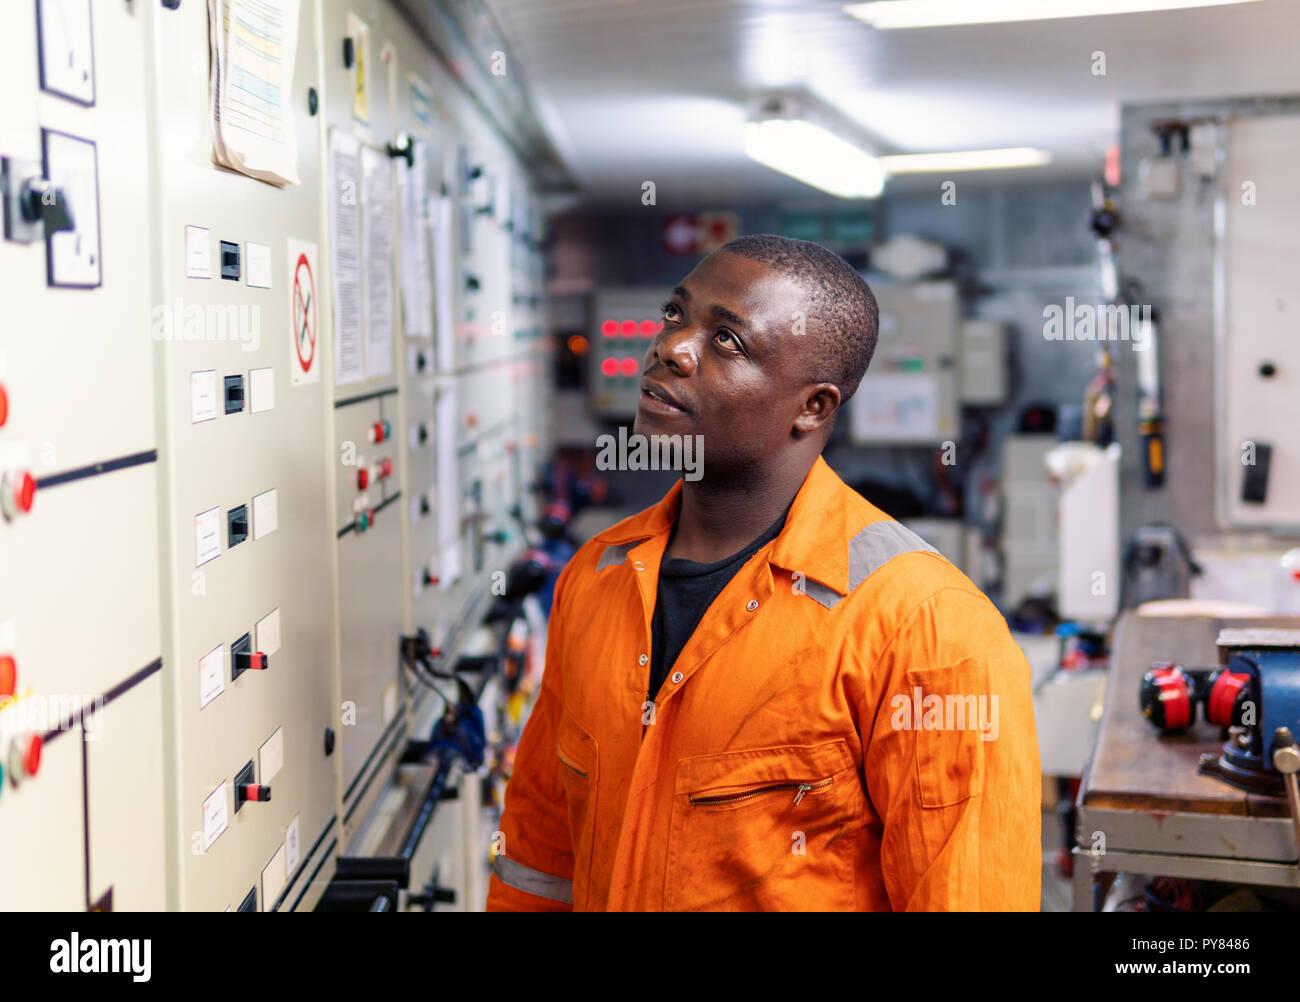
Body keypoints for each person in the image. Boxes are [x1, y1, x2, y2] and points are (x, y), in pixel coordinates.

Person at [486, 234, 1040, 911]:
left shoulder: (926, 629)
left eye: (727, 342)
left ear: (813, 407)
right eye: (674, 314)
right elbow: (541, 858)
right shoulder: (596, 575)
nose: (670, 348)